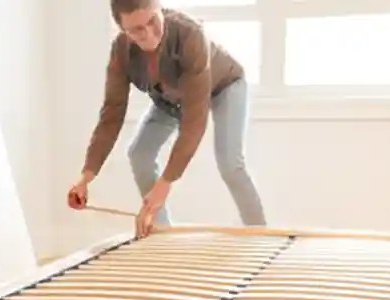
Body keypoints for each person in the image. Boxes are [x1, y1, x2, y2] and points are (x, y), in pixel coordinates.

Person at [67, 0, 267, 238]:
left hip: (223, 86)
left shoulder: (191, 34)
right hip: (171, 98)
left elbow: (195, 120)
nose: (149, 34)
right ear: (122, 30)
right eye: (136, 30)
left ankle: (261, 234)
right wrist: (85, 177)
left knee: (230, 164)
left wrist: (165, 184)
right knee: (139, 153)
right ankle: (162, 231)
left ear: (160, 7)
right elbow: (112, 114)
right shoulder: (121, 53)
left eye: (152, 21)